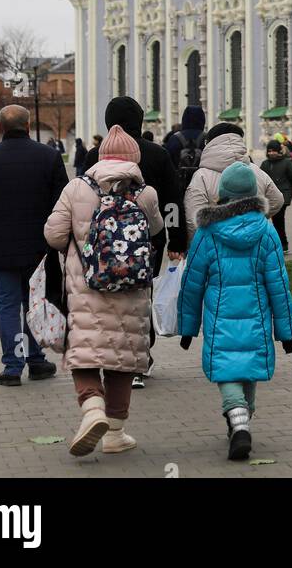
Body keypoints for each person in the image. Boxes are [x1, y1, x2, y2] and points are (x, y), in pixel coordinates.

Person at [44, 125, 164, 457]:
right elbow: (155, 230)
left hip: (86, 288)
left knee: (84, 351)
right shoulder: (146, 193)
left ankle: (92, 409)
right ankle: (115, 433)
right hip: (131, 291)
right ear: (134, 159)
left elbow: (53, 236)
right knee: (121, 359)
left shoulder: (76, 188)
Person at [179, 160, 292, 462]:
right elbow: (279, 285)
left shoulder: (208, 233)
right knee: (249, 368)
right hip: (256, 318)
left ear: (223, 194)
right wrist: (286, 332)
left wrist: (188, 327)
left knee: (227, 368)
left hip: (220, 318)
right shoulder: (267, 232)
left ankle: (238, 420)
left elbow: (193, 281)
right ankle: (244, 419)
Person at [82, 97, 186, 388]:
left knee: (109, 299)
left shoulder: (94, 156)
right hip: (147, 242)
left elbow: (84, 198)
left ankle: (116, 356)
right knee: (142, 297)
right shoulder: (157, 154)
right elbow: (171, 200)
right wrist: (177, 238)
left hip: (104, 242)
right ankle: (141, 355)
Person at [0, 104, 67, 385]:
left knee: (7, 305)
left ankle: (12, 366)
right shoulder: (50, 157)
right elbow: (63, 206)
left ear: (0, 127)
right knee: (34, 302)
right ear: (29, 126)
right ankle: (36, 359)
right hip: (40, 248)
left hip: (3, 246)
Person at [183, 123, 284, 241]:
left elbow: (193, 218)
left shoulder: (202, 176)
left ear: (210, 143)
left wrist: (200, 244)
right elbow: (277, 199)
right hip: (254, 241)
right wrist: (257, 219)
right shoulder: (255, 170)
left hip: (216, 245)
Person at [260, 140, 292, 252]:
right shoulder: (265, 164)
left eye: (274, 151)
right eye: (269, 151)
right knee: (273, 221)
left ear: (279, 151)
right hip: (269, 196)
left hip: (283, 195)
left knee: (278, 220)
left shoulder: (286, 163)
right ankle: (278, 243)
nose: (271, 153)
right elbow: (259, 179)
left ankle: (283, 244)